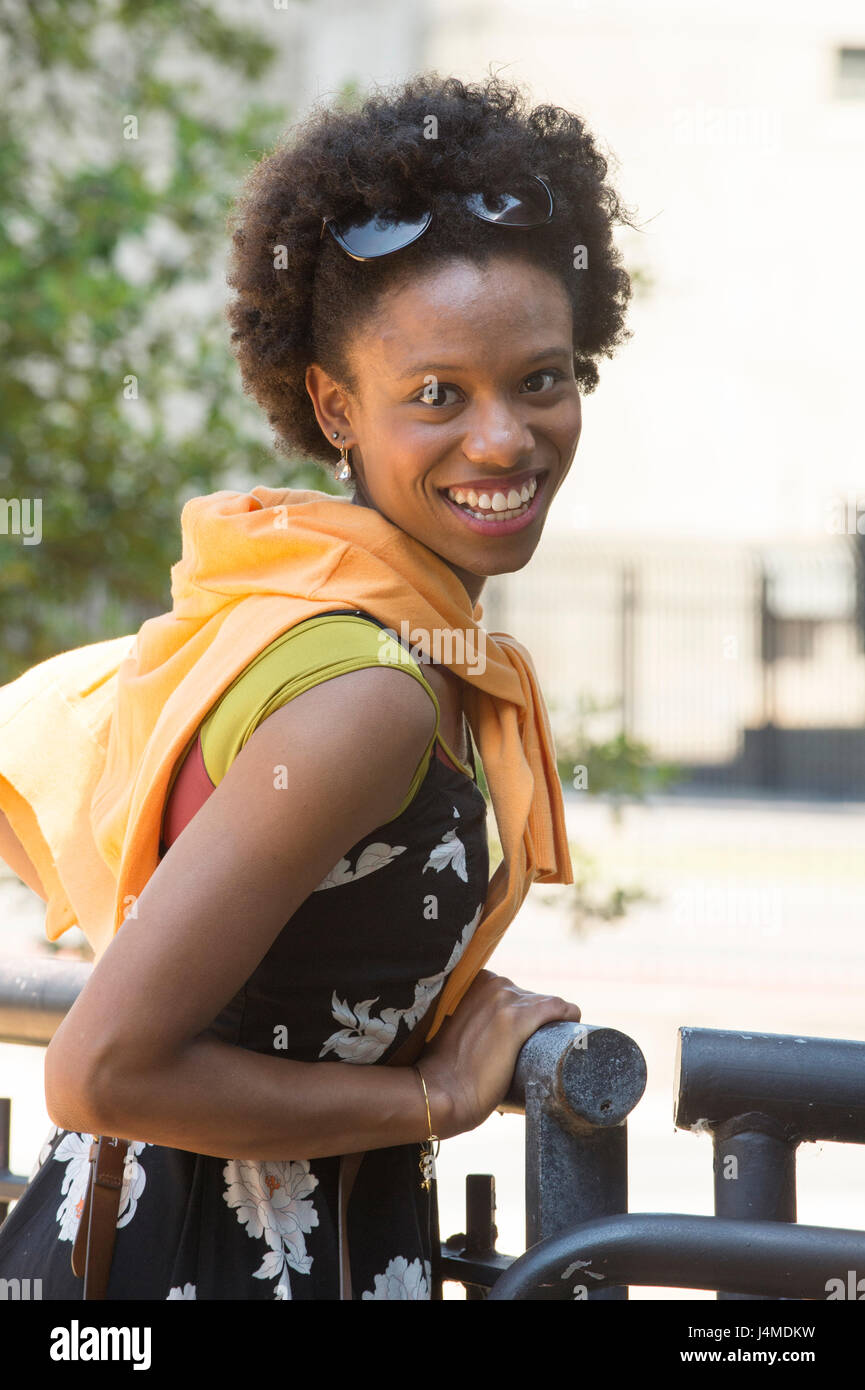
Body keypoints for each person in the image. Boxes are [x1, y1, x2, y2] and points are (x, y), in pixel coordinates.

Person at [0, 70, 633, 1300]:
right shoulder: (365, 690)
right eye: (437, 395)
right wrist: (430, 1091)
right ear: (336, 406)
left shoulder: (292, 613)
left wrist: (396, 993)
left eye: (541, 379)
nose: (503, 438)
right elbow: (103, 1068)